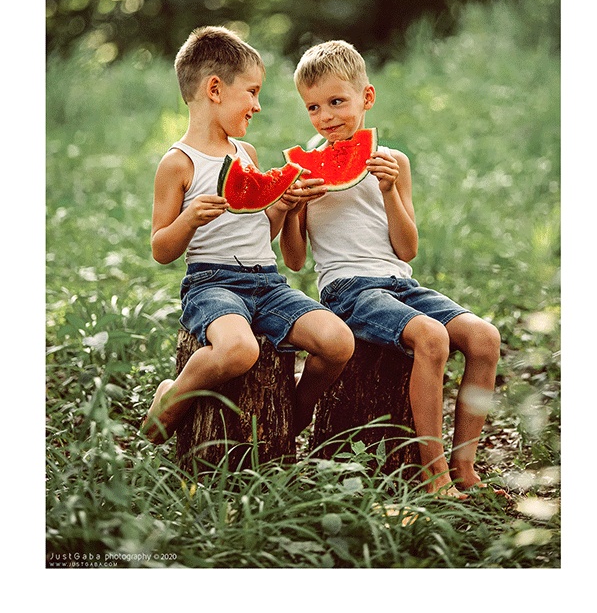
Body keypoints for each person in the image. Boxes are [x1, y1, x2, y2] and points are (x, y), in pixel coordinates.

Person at [280, 40, 501, 497]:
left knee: (485, 339)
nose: (326, 117)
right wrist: (293, 209)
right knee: (432, 337)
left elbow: (407, 248)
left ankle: (464, 466)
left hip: (399, 282)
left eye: (337, 102)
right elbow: (297, 260)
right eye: (313, 107)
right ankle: (433, 473)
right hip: (347, 290)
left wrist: (388, 190)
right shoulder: (306, 169)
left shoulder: (393, 162)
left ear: (367, 97)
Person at [142, 26, 354, 443]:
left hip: (268, 283)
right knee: (239, 350)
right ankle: (171, 398)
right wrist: (189, 220)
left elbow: (263, 229)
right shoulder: (178, 163)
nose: (257, 105)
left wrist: (283, 203)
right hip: (212, 284)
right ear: (215, 89)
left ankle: (296, 411)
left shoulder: (247, 154)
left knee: (338, 341)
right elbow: (160, 249)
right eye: (252, 92)